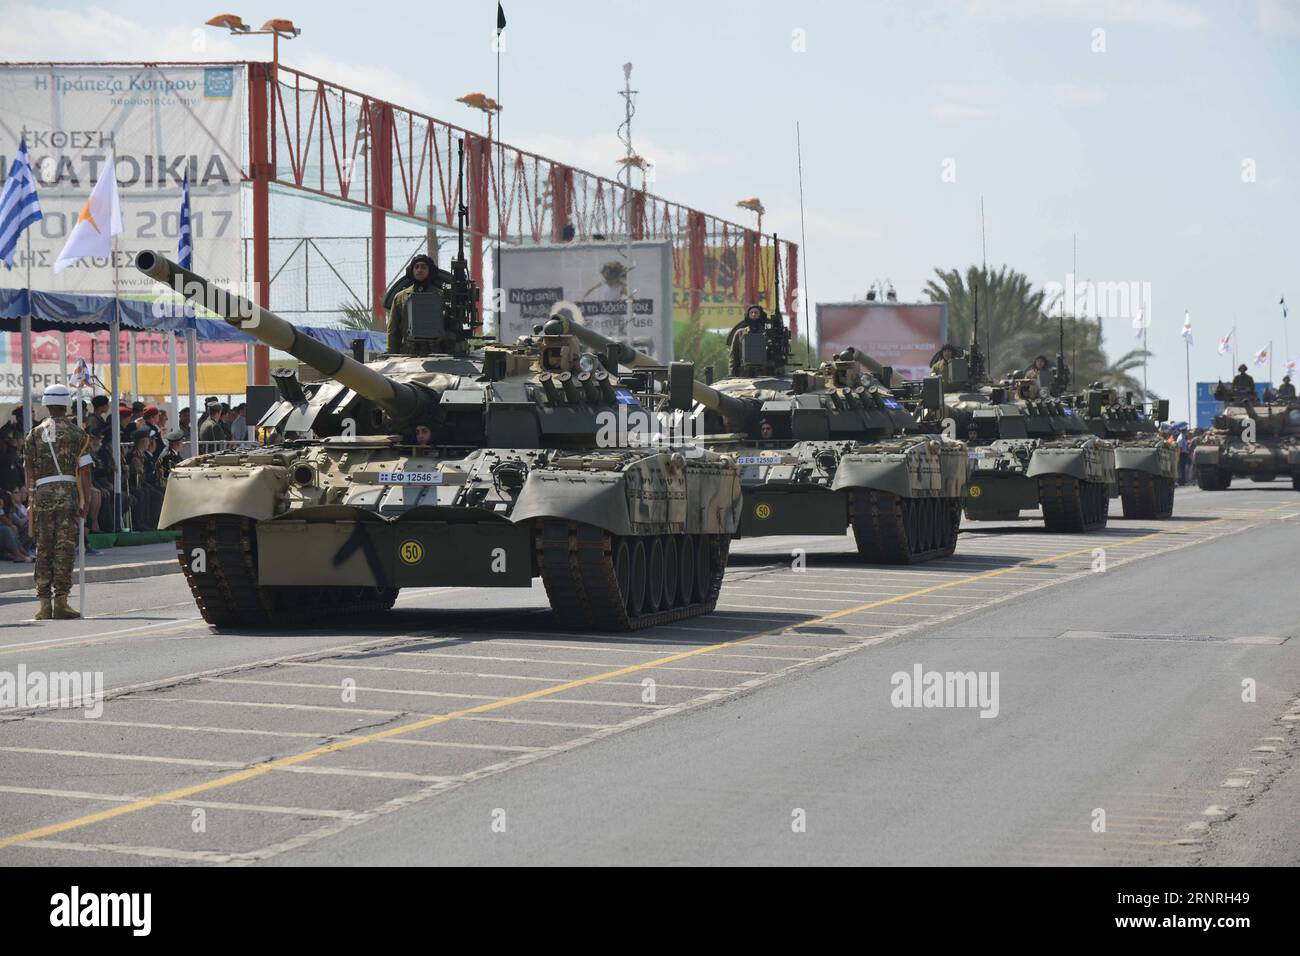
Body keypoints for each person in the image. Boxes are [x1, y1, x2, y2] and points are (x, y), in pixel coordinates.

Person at [22, 383, 92, 620]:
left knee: (44, 547)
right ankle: (61, 601)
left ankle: (44, 603)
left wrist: (32, 497)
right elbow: (85, 472)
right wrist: (87, 501)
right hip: (68, 495)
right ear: (66, 404)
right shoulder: (78, 434)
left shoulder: (34, 434)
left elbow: (29, 470)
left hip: (42, 495)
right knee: (64, 548)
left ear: (46, 404)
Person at [388, 255, 439, 354]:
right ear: (412, 270)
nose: (419, 270)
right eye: (416, 267)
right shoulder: (400, 297)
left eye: (423, 267)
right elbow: (393, 330)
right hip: (409, 353)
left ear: (430, 271)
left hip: (436, 353)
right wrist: (391, 354)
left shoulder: (441, 296)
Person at [726, 304, 767, 375]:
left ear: (761, 315)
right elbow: (733, 355)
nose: (754, 314)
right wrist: (732, 373)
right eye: (751, 313)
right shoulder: (740, 333)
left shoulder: (767, 333)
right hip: (744, 373)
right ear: (748, 315)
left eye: (756, 313)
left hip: (764, 373)